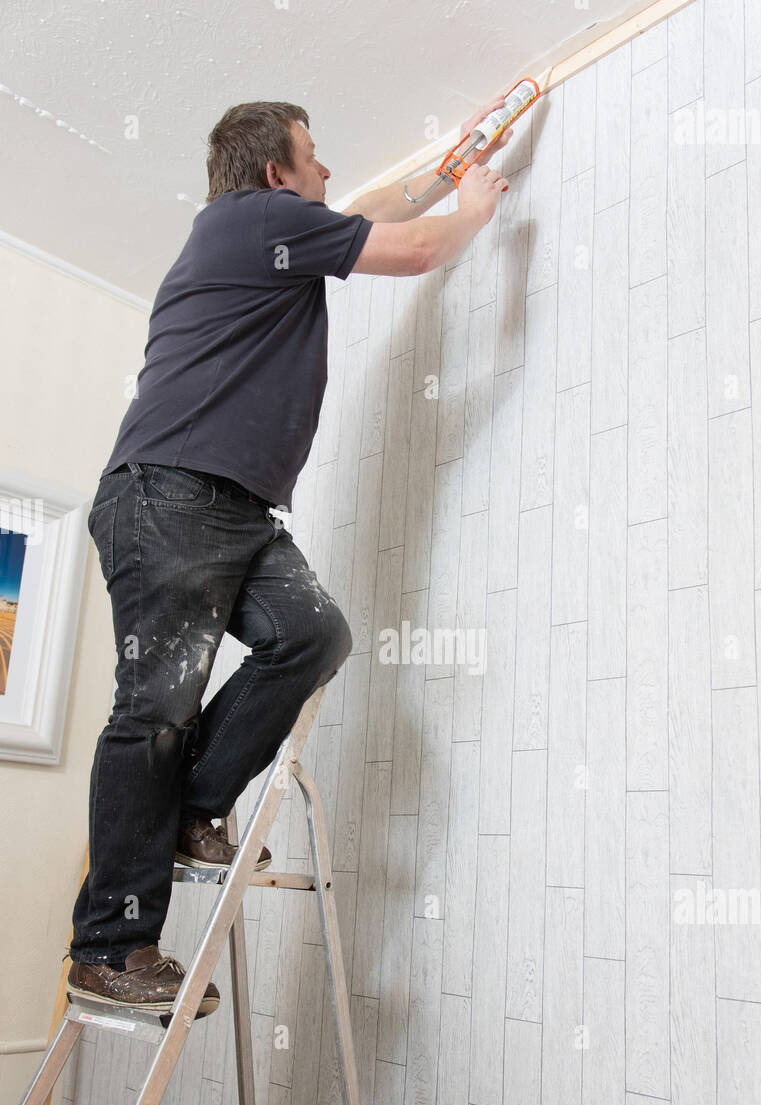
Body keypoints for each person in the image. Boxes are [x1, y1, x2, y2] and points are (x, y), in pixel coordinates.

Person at [67, 98, 508, 1018]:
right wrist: (473, 205)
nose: (327, 174)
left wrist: (447, 161)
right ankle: (110, 944)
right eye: (314, 160)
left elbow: (370, 208)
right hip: (171, 493)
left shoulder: (263, 226)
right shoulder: (259, 222)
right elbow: (416, 247)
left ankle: (194, 809)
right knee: (156, 706)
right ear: (277, 175)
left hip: (231, 504)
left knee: (311, 636)